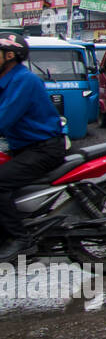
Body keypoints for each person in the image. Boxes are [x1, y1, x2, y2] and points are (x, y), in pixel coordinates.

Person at [0, 33, 66, 260]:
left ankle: (21, 239)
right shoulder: (5, 80)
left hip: (44, 149)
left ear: (9, 56)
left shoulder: (23, 80)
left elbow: (3, 119)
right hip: (24, 147)